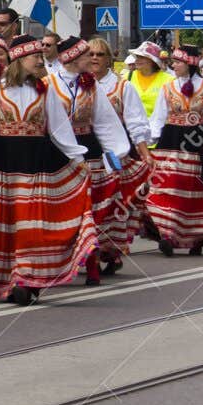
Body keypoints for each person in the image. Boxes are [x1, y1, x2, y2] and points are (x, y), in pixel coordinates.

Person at [0, 34, 95, 305]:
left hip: (36, 164)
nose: (40, 60)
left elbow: (60, 130)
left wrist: (78, 159)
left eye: (40, 56)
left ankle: (25, 278)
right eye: (34, 56)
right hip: (1, 164)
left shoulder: (44, 90)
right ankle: (3, 278)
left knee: (30, 225)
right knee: (2, 225)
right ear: (18, 59)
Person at [47, 37, 134, 285]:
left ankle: (93, 262)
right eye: (86, 56)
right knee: (60, 210)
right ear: (72, 59)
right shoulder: (48, 84)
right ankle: (58, 260)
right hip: (57, 154)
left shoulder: (91, 86)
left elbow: (105, 122)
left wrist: (115, 155)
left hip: (89, 151)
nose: (91, 60)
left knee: (90, 207)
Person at [145, 43, 203, 257]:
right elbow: (158, 119)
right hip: (170, 144)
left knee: (195, 193)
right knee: (168, 189)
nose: (173, 64)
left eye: (178, 61)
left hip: (201, 145)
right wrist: (144, 145)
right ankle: (168, 235)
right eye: (174, 61)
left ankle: (196, 238)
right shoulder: (168, 88)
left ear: (190, 64)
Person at [89, 37, 152, 275]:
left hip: (116, 154)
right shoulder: (79, 85)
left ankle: (110, 252)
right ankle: (88, 252)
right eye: (91, 54)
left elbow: (136, 122)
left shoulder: (123, 87)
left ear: (109, 60)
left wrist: (145, 153)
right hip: (88, 152)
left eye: (100, 54)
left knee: (111, 207)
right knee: (90, 206)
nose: (94, 58)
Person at [126, 41, 173, 120]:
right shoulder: (127, 77)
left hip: (159, 128)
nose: (137, 60)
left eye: (141, 57)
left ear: (152, 61)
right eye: (137, 57)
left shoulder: (169, 80)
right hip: (133, 128)